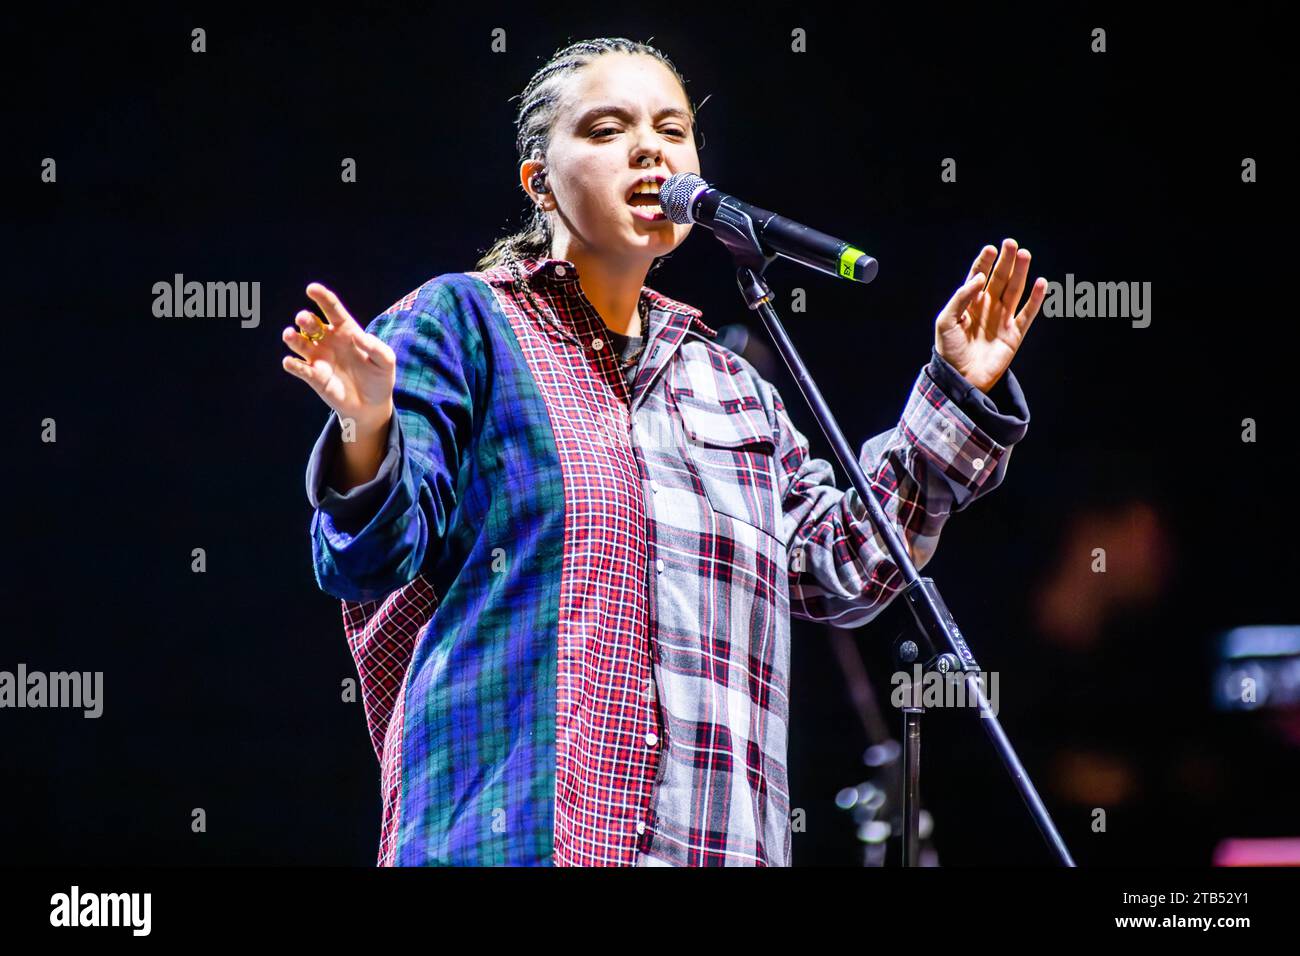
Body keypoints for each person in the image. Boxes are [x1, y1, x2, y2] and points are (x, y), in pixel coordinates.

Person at [281, 37, 1044, 866]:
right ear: (539, 181)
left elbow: (847, 565)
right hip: (522, 836)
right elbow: (366, 561)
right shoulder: (466, 325)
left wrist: (954, 394)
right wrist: (367, 428)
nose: (649, 148)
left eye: (672, 130)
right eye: (607, 130)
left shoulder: (730, 383)